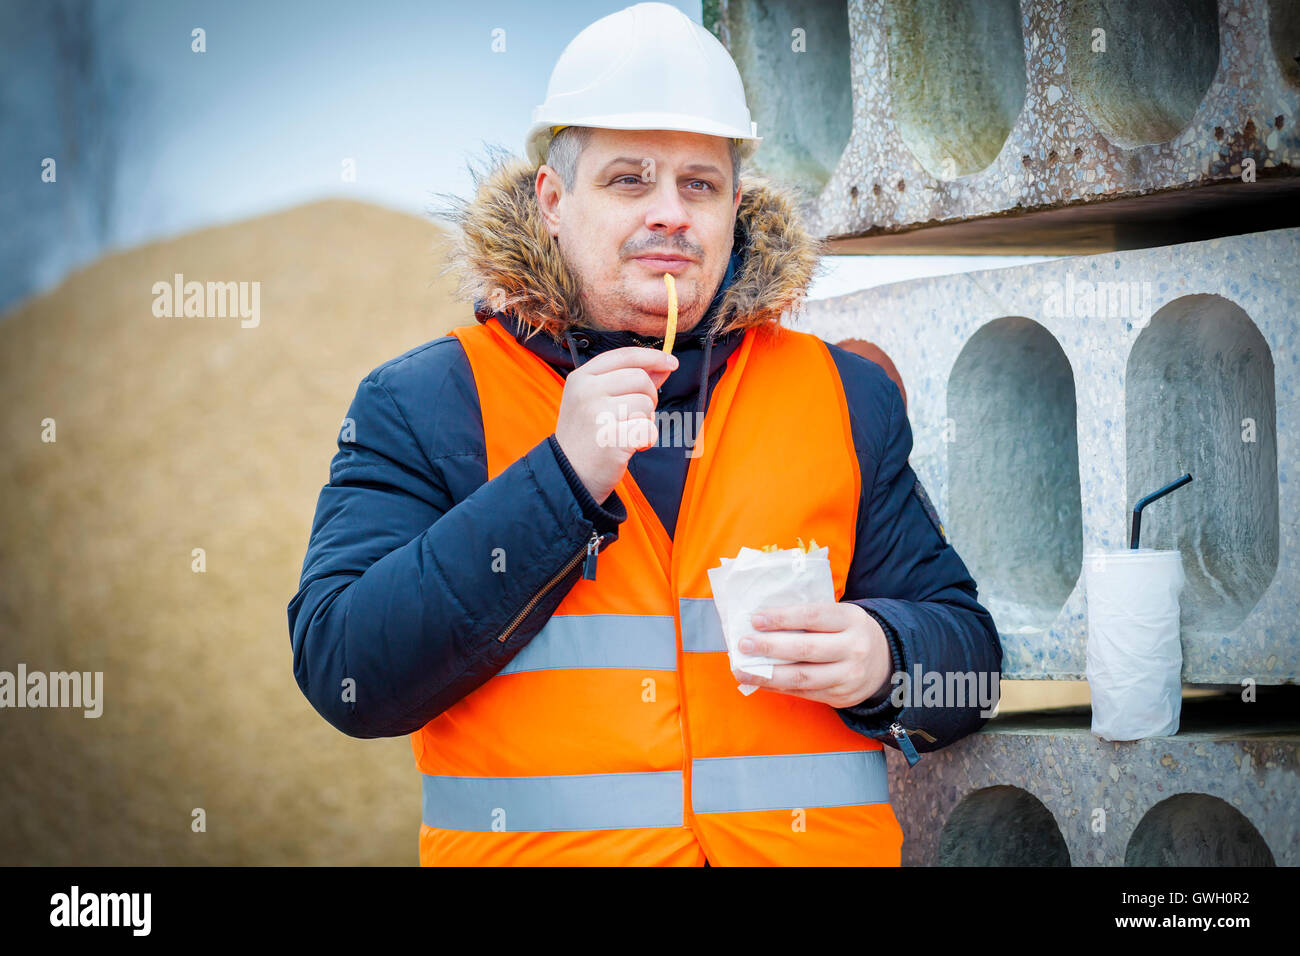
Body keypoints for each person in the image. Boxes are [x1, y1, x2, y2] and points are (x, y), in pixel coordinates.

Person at [288, 1, 1001, 866]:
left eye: (699, 184)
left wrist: (886, 657)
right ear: (553, 200)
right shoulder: (427, 400)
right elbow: (345, 671)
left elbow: (971, 664)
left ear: (735, 205)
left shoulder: (839, 394)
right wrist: (558, 483)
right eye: (630, 179)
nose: (670, 212)